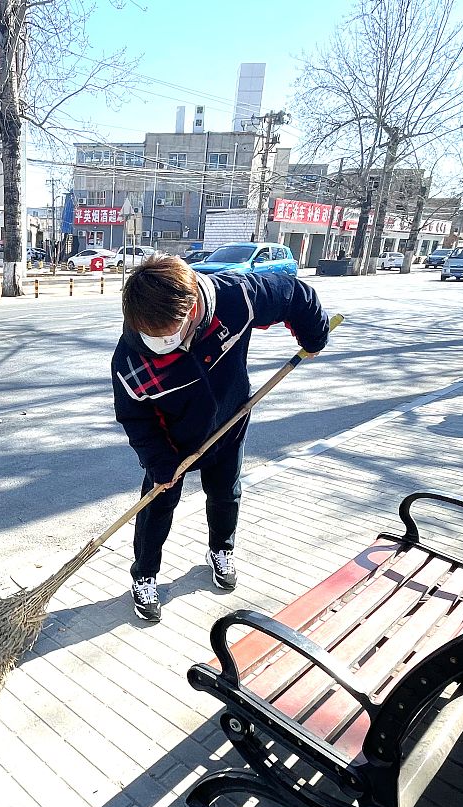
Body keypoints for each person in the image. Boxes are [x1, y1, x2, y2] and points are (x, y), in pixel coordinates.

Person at [111, 255, 329, 621]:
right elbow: (136, 419)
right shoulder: (130, 360)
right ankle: (144, 576)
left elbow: (293, 294)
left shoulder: (235, 298)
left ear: (193, 307)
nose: (160, 343)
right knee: (157, 506)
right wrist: (161, 462)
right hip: (173, 444)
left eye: (169, 333)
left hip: (230, 422)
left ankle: (221, 550)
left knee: (227, 492)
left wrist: (314, 335)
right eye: (152, 335)